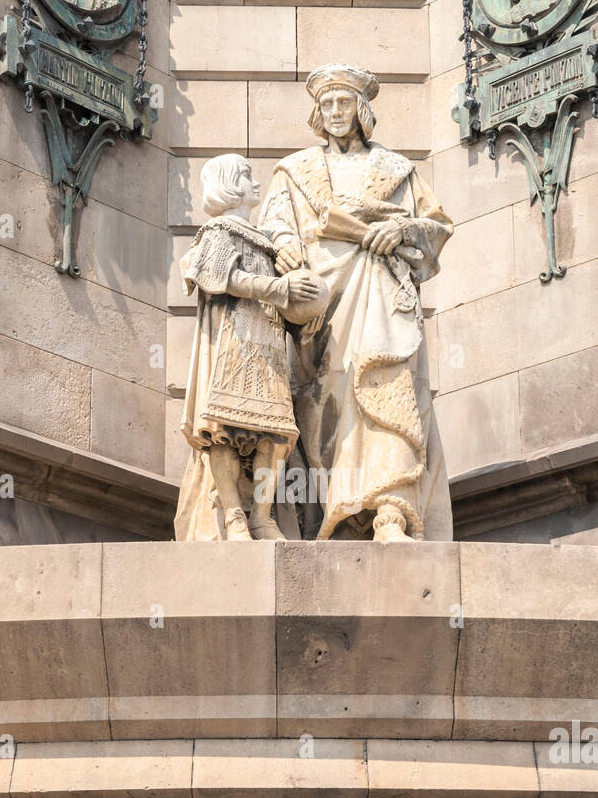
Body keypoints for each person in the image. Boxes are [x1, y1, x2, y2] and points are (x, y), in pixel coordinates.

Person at [259, 64, 454, 543]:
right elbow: (271, 226)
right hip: (319, 307)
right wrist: (283, 244)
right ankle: (336, 512)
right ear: (317, 115)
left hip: (381, 295)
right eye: (326, 105)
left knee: (387, 384)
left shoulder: (396, 169)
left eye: (343, 103)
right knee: (326, 406)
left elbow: (437, 227)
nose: (335, 113)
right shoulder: (294, 171)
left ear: (361, 110)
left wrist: (402, 229)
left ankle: (391, 511)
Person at [176, 153, 327, 542]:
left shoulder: (267, 241)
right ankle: (233, 517)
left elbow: (286, 297)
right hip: (233, 339)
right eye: (245, 176)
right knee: (223, 429)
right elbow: (218, 276)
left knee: (275, 434)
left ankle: (261, 515)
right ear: (228, 184)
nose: (254, 182)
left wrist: (302, 316)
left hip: (269, 344)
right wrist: (281, 289)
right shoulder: (219, 230)